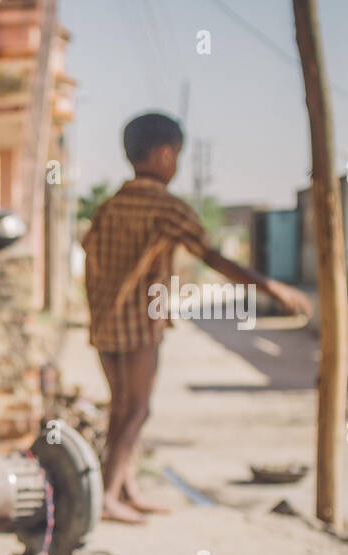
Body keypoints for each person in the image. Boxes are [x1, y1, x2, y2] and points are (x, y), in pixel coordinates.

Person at [81, 112, 313, 523]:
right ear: (165, 154)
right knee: (135, 410)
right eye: (176, 155)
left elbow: (91, 257)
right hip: (139, 323)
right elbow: (214, 257)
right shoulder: (167, 207)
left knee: (122, 407)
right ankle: (108, 497)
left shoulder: (109, 206)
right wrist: (273, 287)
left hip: (104, 322)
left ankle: (124, 488)